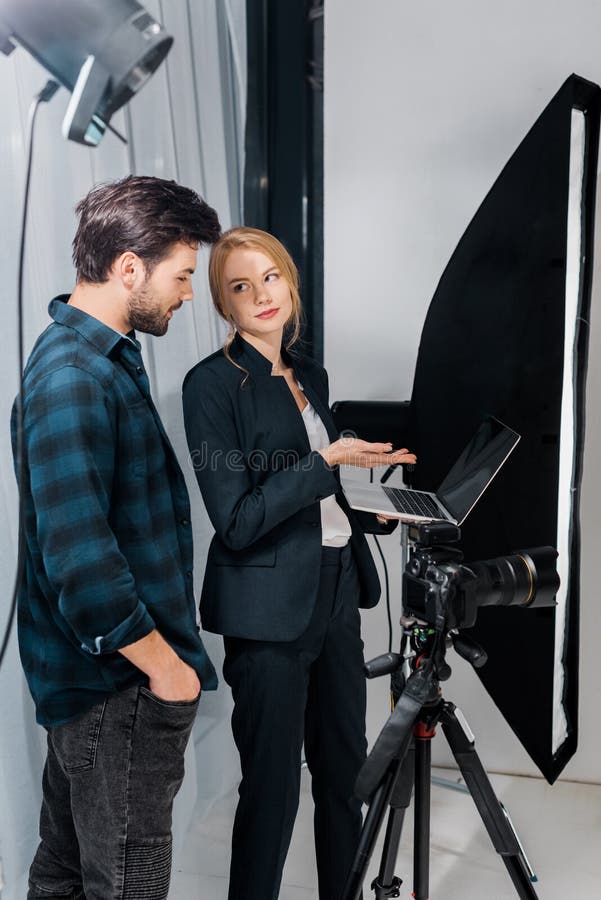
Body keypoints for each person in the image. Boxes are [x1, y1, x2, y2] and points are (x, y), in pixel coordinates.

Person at [182, 226, 415, 900]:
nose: (260, 294)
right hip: (266, 613)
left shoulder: (309, 374)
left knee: (344, 773)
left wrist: (380, 508)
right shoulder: (210, 386)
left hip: (337, 589)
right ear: (223, 305)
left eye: (270, 277)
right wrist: (324, 462)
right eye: (239, 286)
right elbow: (237, 519)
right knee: (274, 788)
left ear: (290, 282)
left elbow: (326, 497)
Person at [11, 175, 221, 900]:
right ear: (129, 266)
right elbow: (82, 565)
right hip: (118, 689)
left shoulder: (97, 360)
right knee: (125, 884)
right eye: (183, 275)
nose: (189, 294)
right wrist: (166, 670)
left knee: (64, 876)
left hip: (98, 692)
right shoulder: (73, 375)